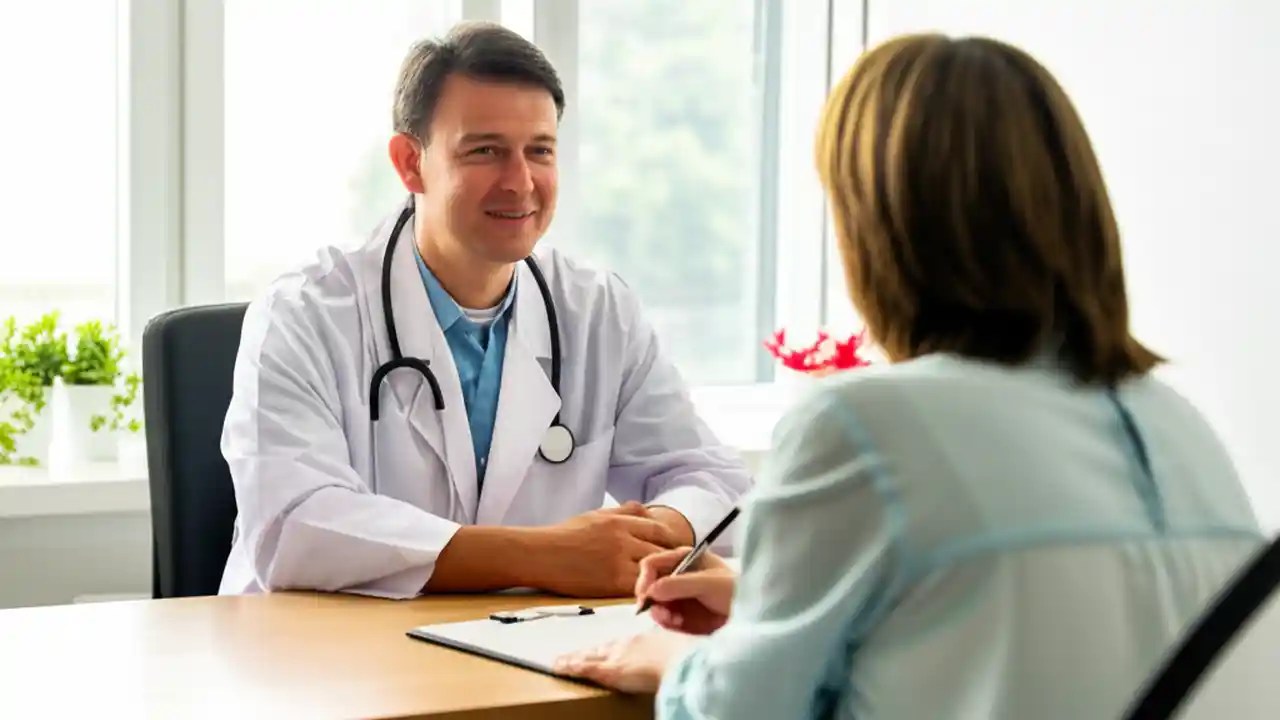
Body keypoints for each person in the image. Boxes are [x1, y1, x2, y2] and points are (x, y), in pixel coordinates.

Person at [553, 33, 1266, 718]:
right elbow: (1045, 637)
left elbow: (742, 709)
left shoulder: (868, 426)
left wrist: (668, 658)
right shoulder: (1174, 419)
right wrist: (764, 601)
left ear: (880, 225)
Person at [217, 22, 751, 599]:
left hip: (523, 649)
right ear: (409, 163)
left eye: (539, 151)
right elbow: (293, 526)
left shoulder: (598, 311)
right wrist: (544, 557)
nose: (520, 182)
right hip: (317, 665)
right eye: (486, 151)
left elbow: (712, 479)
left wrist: (646, 539)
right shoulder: (304, 314)